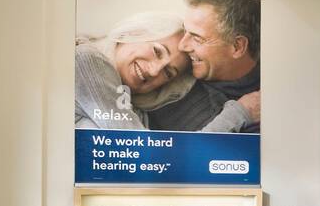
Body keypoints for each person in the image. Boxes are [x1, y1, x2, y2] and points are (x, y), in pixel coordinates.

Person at [74, 12, 252, 132]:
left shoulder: (136, 112)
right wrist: (240, 112)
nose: (154, 71)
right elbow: (145, 154)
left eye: (168, 73)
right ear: (134, 32)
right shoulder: (89, 59)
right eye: (157, 51)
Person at [151, 0, 261, 133]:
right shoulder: (175, 104)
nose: (182, 46)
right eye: (185, 31)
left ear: (237, 46)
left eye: (197, 38)